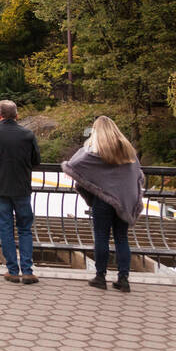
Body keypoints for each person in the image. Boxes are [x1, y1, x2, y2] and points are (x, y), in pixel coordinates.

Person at [62, 116, 145, 293]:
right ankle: (123, 279)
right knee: (122, 238)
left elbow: (75, 163)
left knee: (101, 237)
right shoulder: (128, 150)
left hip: (103, 200)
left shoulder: (95, 150)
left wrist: (85, 147)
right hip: (123, 200)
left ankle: (100, 277)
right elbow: (138, 176)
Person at [0, 99, 42, 284]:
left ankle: (12, 270)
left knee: (5, 227)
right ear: (17, 115)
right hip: (22, 187)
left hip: (0, 187)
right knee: (25, 228)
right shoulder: (27, 135)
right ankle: (27, 270)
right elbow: (36, 159)